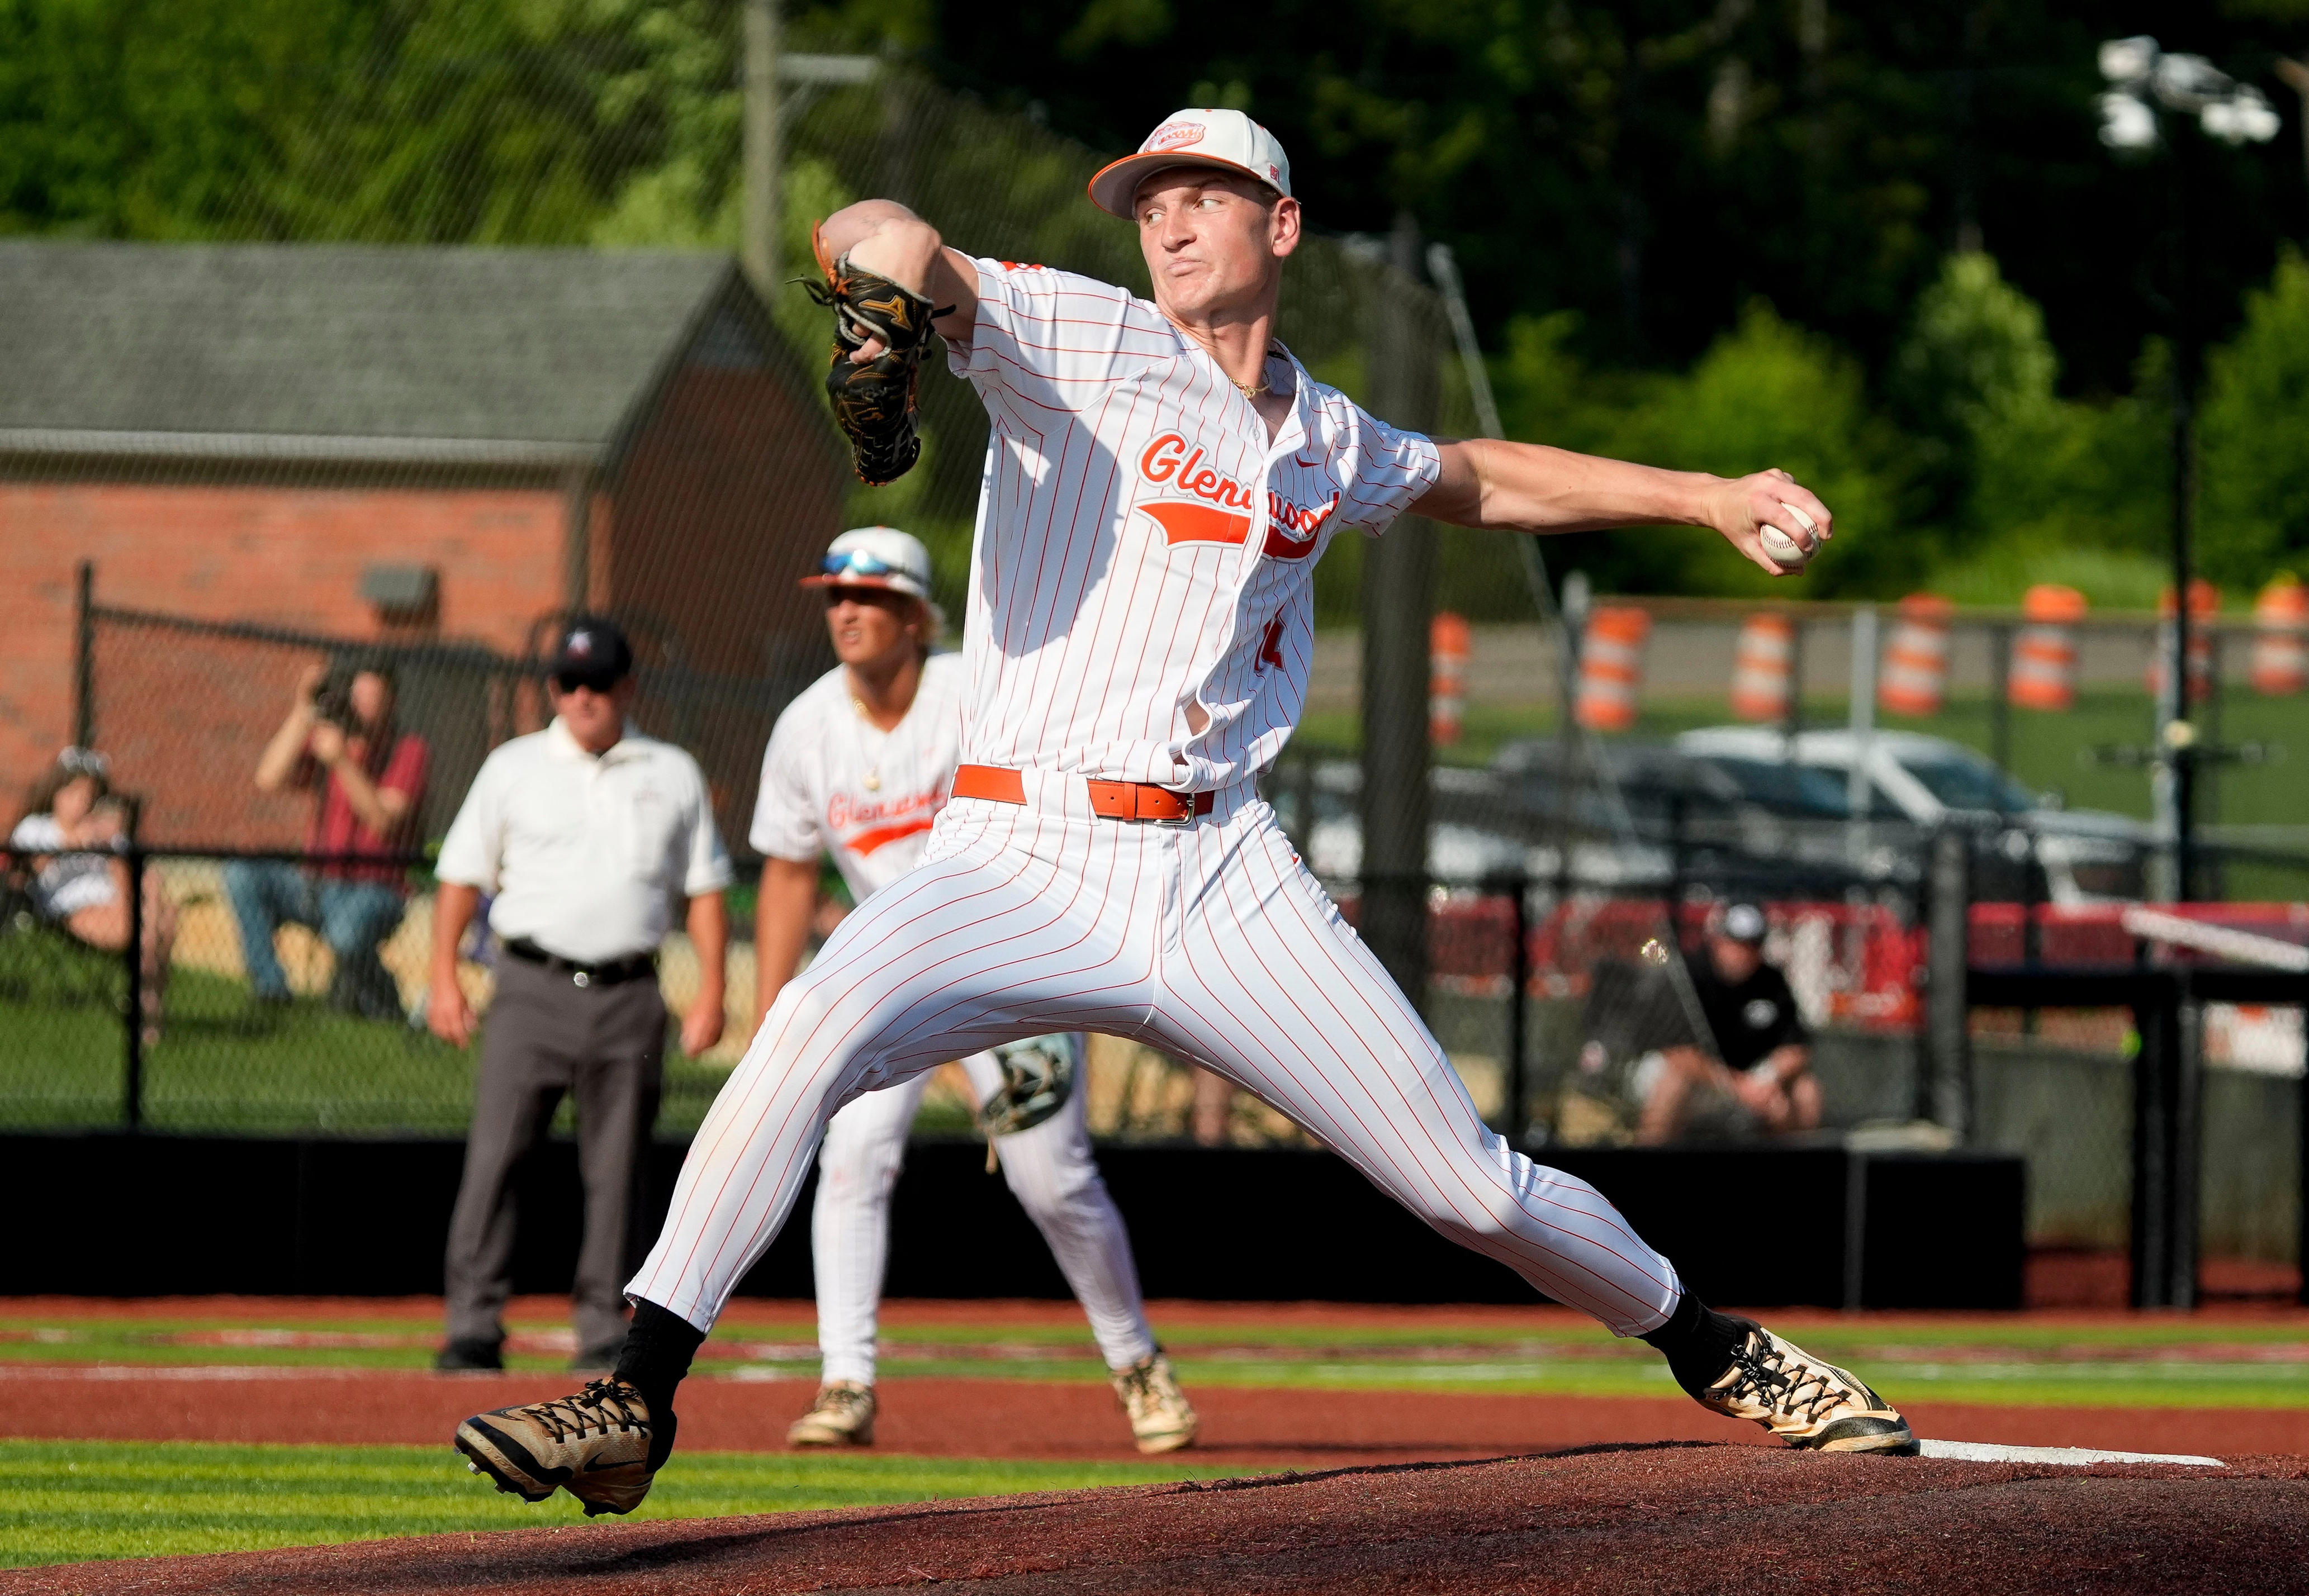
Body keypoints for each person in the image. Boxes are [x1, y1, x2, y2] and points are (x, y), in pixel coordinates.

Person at [454, 108, 1911, 1517]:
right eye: (1148, 198)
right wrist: (878, 312)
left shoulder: (1322, 437)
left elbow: (1477, 477)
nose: (1166, 216)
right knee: (815, 1024)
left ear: (1280, 225)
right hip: (1019, 850)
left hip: (1221, 872)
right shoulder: (1069, 335)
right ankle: (636, 1394)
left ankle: (1720, 1349)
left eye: (1200, 191)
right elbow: (876, 229)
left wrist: (1703, 493)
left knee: (1469, 1189)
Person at [755, 525, 1194, 1455]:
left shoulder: (976, 697)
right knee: (853, 1154)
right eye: (835, 594)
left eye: (869, 597)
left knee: (1052, 1180)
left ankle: (1137, 1363)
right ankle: (846, 1381)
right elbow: (791, 870)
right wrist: (771, 1011)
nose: (846, 611)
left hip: (1010, 953)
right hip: (888, 975)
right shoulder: (807, 724)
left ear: (916, 617)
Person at [426, 618, 732, 1374]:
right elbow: (461, 875)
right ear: (553, 691)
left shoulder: (671, 770)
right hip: (528, 987)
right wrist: (442, 978)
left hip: (629, 991)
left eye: (599, 682)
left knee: (619, 1168)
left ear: (627, 687)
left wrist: (712, 992)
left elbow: (704, 890)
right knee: (496, 1157)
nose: (584, 697)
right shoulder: (513, 767)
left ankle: (603, 1323)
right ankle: (473, 1322)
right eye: (569, 683)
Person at [226, 659, 428, 1019]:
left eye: (373, 698)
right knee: (243, 875)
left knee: (345, 934)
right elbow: (268, 778)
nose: (362, 707)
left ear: (391, 702)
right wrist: (303, 711)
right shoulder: (329, 740)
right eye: (358, 697)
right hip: (315, 883)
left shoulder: (408, 750)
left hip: (377, 890)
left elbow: (382, 820)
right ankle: (272, 991)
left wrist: (342, 762)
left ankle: (385, 1002)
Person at [8, 748, 174, 1038]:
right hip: (71, 908)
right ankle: (147, 1012)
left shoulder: (105, 832)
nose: (82, 802)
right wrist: (75, 841)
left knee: (158, 898)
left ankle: (144, 1006)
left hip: (119, 904)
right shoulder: (36, 829)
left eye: (89, 794)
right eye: (74, 793)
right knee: (150, 930)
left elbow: (130, 881)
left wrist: (111, 850)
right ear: (56, 793)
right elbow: (27, 869)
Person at [1635, 903, 1822, 1145]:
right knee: (1673, 1084)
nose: (1744, 953)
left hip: (1752, 1079)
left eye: (1753, 944)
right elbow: (1677, 1053)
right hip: (1700, 1078)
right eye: (1736, 943)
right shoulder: (1688, 975)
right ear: (1718, 941)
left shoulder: (1772, 981)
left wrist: (1767, 1080)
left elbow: (1796, 1048)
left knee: (1805, 1091)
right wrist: (1738, 1086)